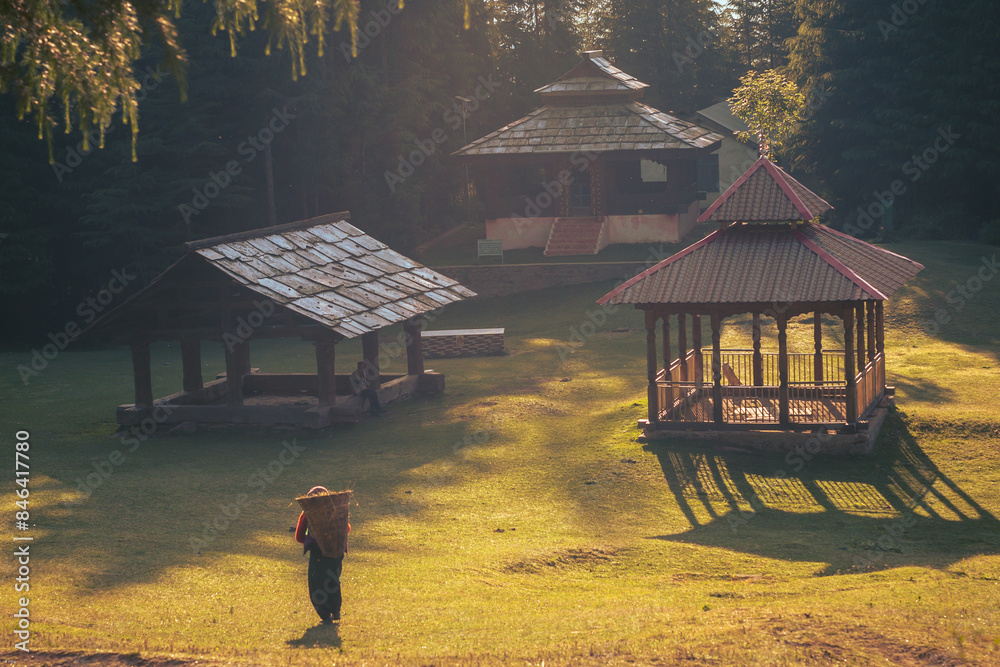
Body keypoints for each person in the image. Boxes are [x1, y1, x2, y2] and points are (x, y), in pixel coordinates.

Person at [295, 486, 351, 624]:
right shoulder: (336, 509)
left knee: (317, 583)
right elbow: (347, 529)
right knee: (333, 580)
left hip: (318, 552)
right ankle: (336, 610)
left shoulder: (308, 514)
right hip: (337, 550)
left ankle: (325, 615)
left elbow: (299, 537)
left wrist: (312, 538)